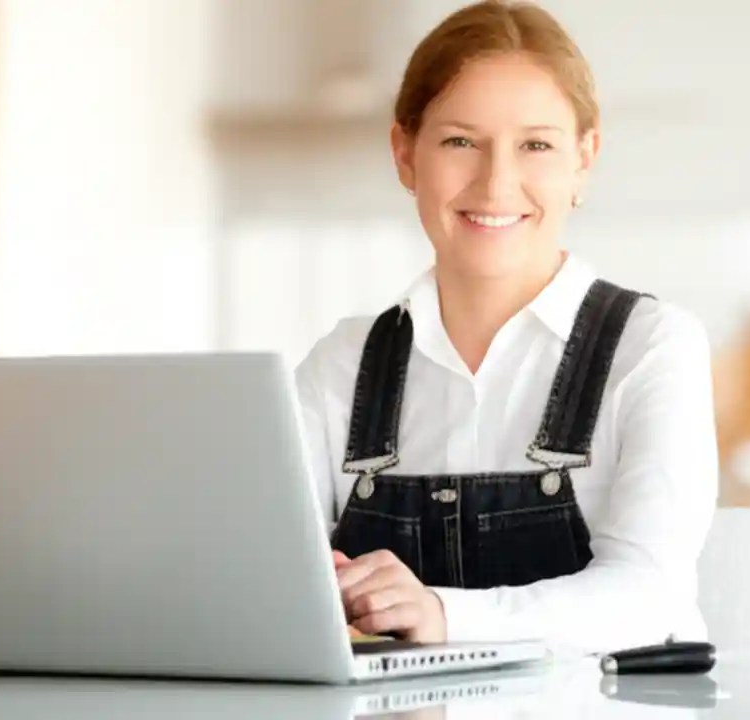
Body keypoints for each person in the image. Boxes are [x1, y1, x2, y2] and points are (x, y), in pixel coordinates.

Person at [295, 0, 718, 654]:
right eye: (460, 141)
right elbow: (267, 575)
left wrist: (444, 616)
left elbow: (647, 595)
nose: (497, 183)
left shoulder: (653, 348)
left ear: (584, 158)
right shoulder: (340, 367)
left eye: (536, 146)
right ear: (405, 153)